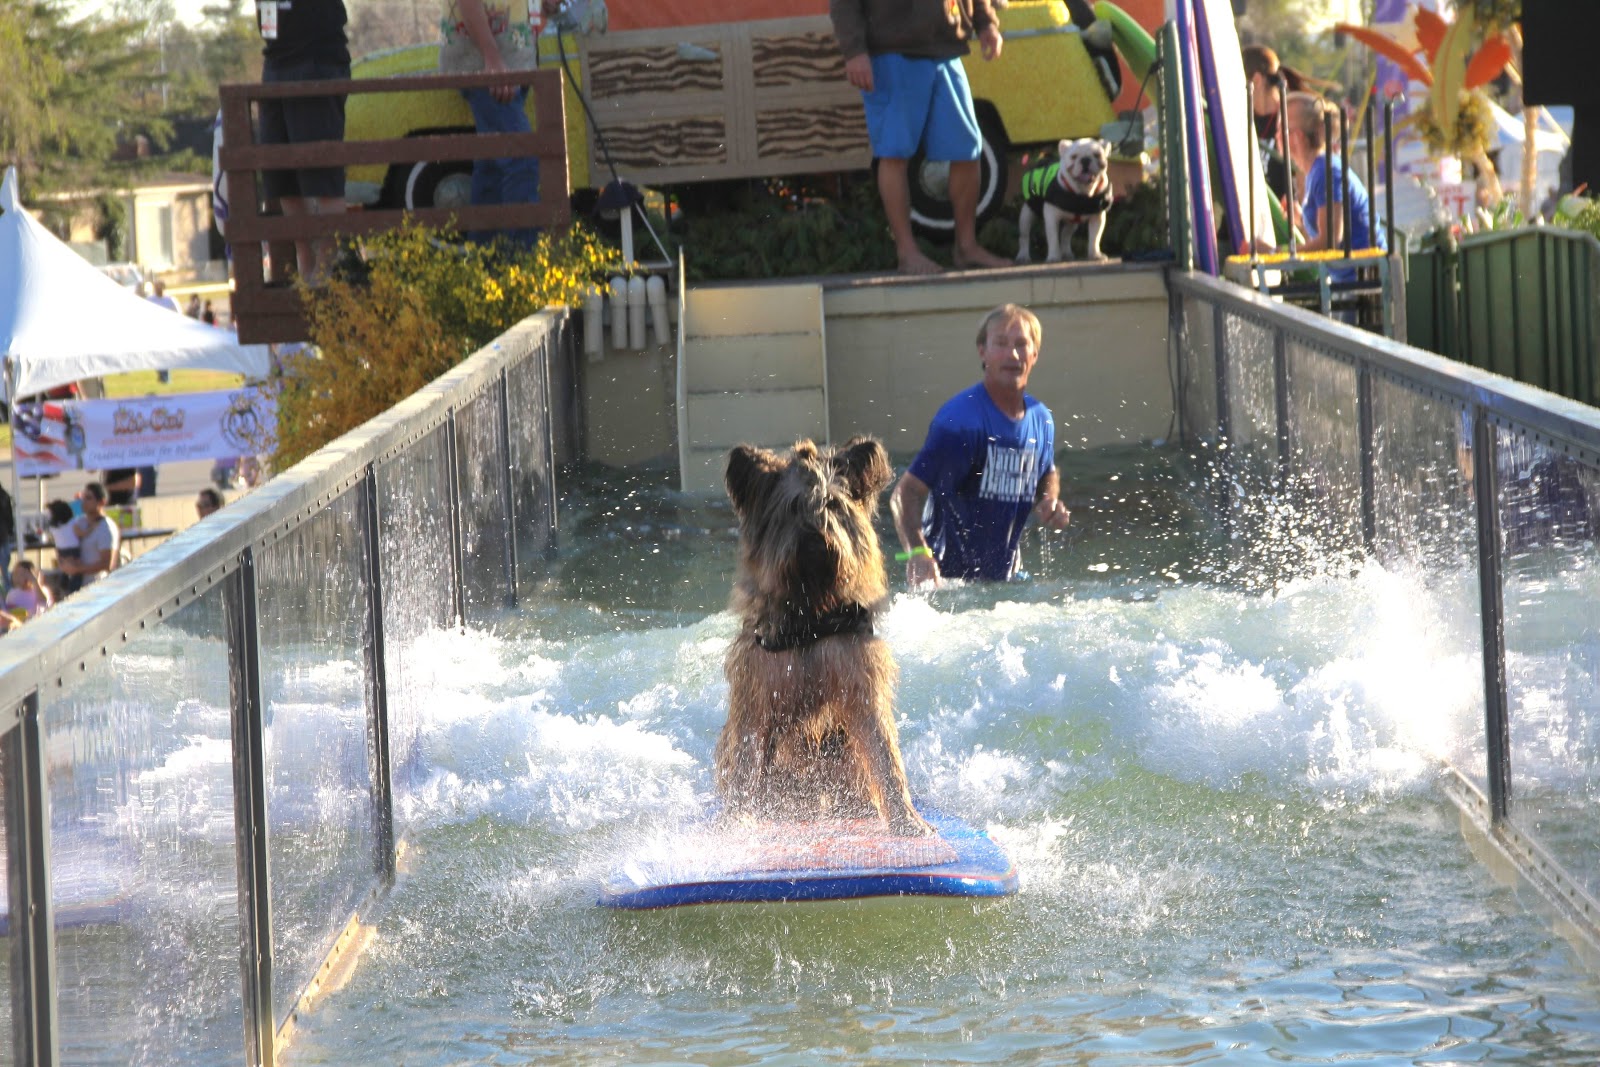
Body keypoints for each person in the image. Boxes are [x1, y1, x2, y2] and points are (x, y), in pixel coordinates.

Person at [890, 303, 1071, 585]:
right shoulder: (959, 422)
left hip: (1008, 586)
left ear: (1035, 355)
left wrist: (1049, 500)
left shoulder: (1042, 420)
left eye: (1022, 344)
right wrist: (916, 552)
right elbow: (905, 494)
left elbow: (1046, 471)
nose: (1012, 354)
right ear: (982, 351)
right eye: (1001, 343)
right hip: (947, 587)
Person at [829, 0, 1013, 275]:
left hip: (946, 49)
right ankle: (907, 253)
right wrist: (855, 51)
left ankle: (966, 247)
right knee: (894, 152)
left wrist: (986, 23)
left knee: (967, 149)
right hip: (892, 52)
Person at [257, 0, 351, 281]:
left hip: (316, 58)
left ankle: (324, 272)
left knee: (322, 176)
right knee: (281, 178)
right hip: (275, 59)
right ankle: (306, 263)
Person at [438, 0, 541, 248]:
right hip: (488, 66)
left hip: (512, 61)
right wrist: (492, 58)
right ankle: (521, 265)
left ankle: (485, 263)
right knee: (521, 156)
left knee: (493, 165)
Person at [1286, 93, 1386, 271]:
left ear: (1298, 137)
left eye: (1283, 130)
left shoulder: (1326, 172)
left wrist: (1275, 252)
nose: (1277, 136)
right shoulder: (1317, 171)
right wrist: (1301, 219)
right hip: (1353, 279)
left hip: (1366, 283)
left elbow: (1329, 240)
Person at [58, 482, 119, 589]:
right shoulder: (79, 522)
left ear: (101, 502)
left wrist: (78, 569)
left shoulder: (106, 528)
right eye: (83, 497)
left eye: (88, 498)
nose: (84, 502)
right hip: (75, 584)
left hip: (97, 586)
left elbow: (107, 564)